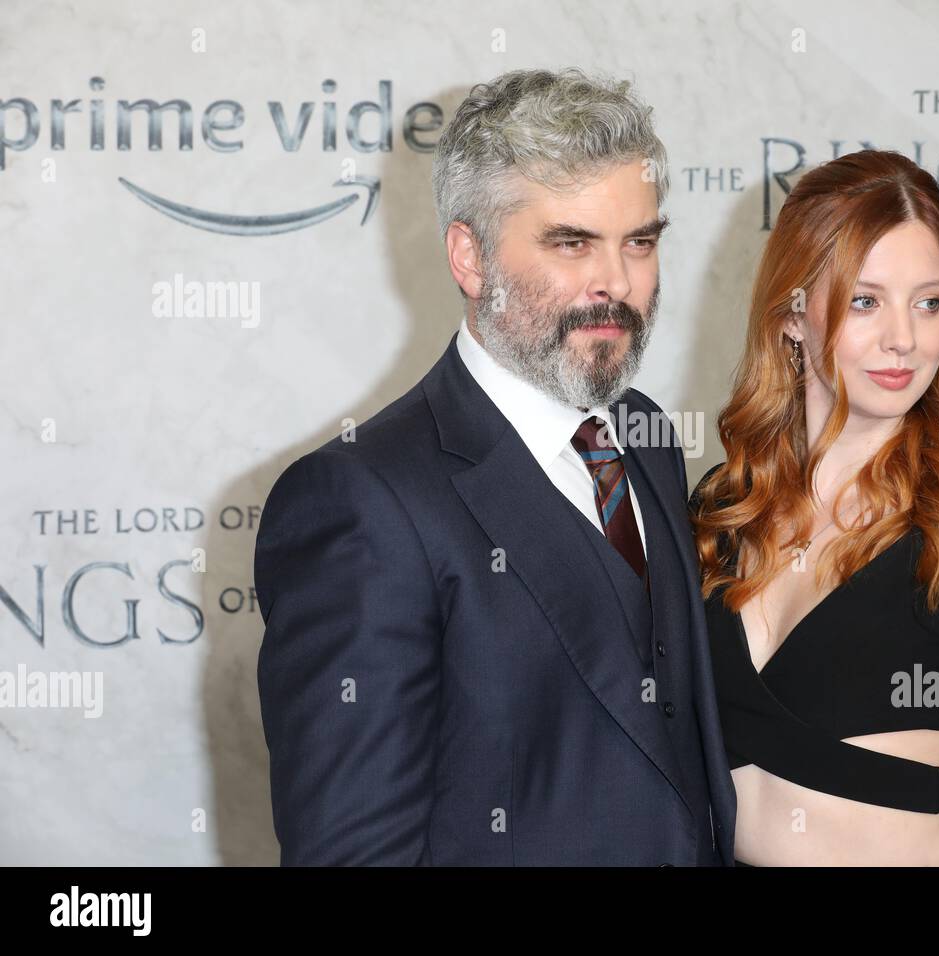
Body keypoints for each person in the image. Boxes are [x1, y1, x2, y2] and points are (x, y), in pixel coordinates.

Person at [254, 68, 735, 865]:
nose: (615, 283)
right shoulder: (362, 500)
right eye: (571, 242)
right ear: (470, 258)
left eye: (640, 242)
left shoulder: (647, 436)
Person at [689, 148, 939, 866]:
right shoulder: (719, 512)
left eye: (930, 302)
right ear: (793, 314)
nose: (905, 337)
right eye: (866, 300)